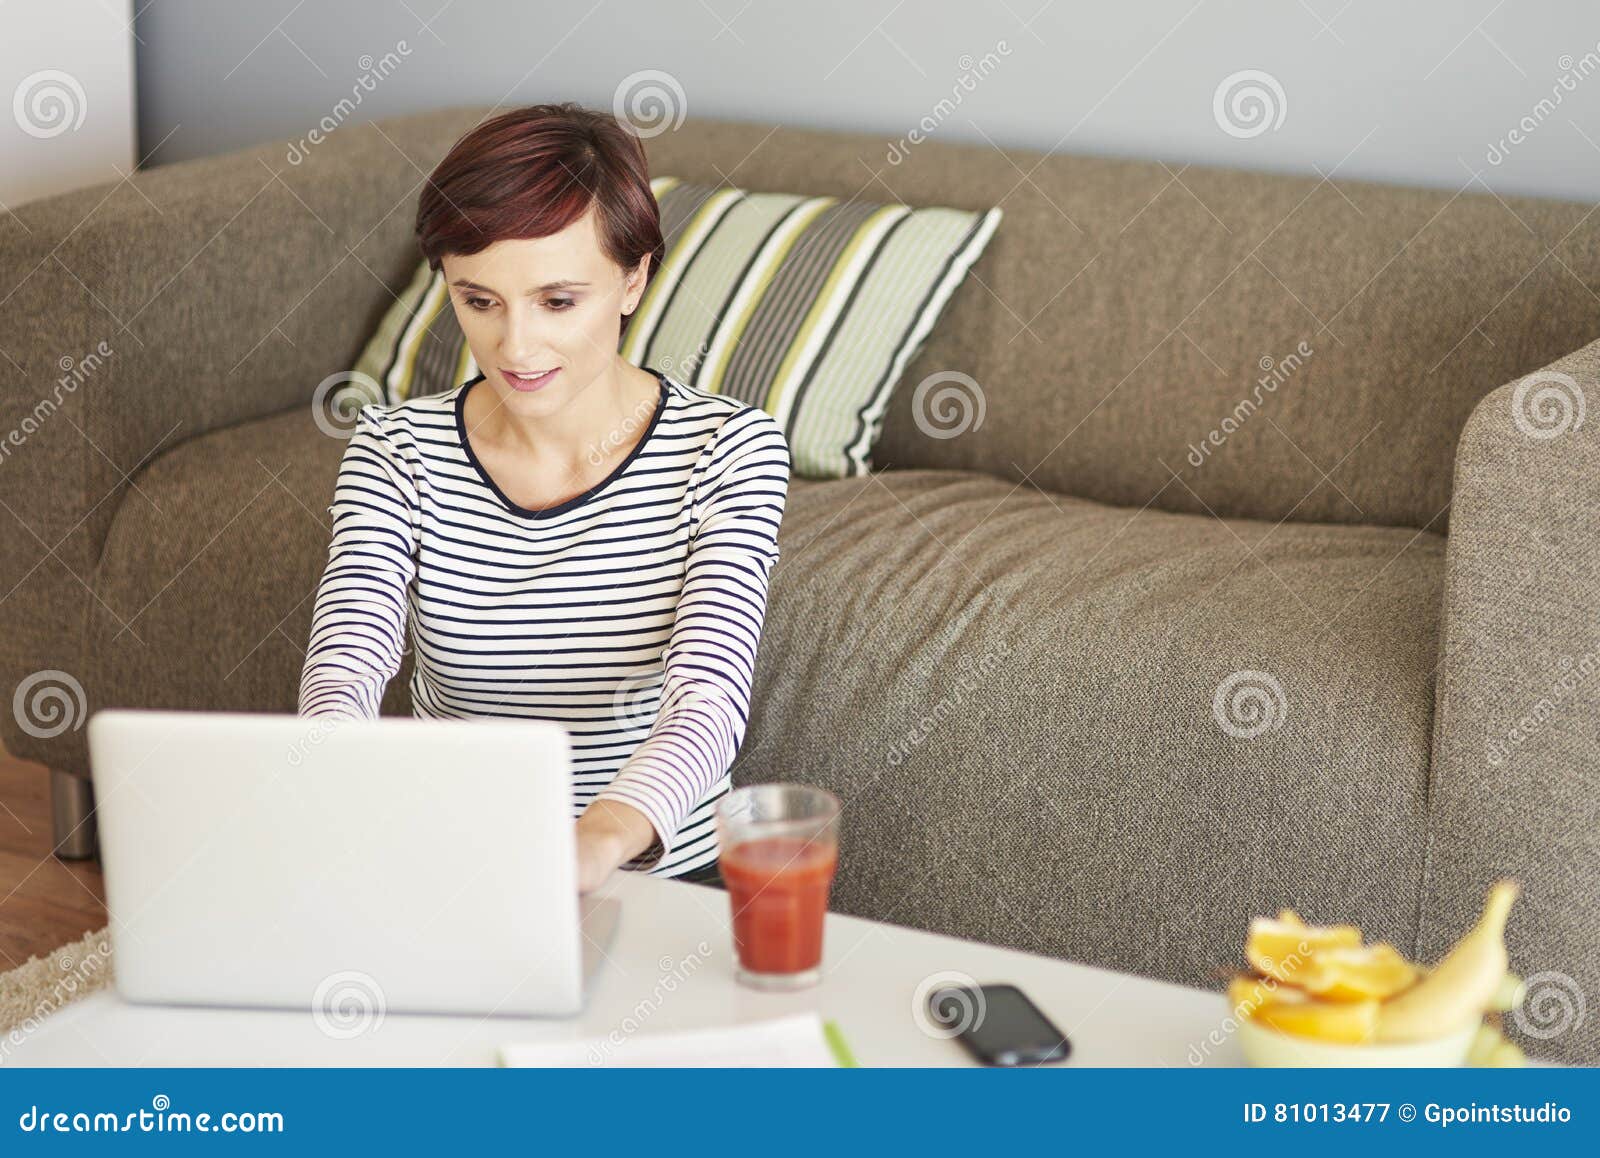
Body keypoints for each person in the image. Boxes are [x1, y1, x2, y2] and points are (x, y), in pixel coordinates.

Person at [297, 102, 790, 894]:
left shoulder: (728, 450)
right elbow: (346, 668)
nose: (515, 347)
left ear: (634, 279)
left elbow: (708, 699)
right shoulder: (397, 452)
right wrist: (334, 786)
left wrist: (590, 845)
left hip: (653, 876)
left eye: (558, 302)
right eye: (478, 301)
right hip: (455, 866)